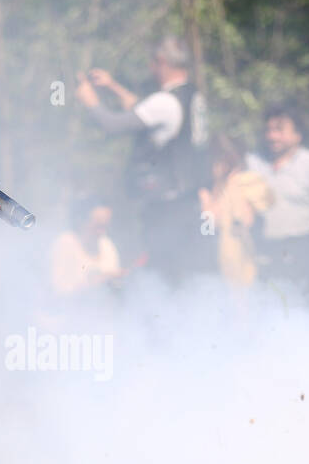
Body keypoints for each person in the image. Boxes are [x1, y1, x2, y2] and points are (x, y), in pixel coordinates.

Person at [76, 36, 210, 283]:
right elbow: (145, 109)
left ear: (162, 62)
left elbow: (113, 125)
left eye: (153, 62)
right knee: (179, 274)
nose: (150, 68)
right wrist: (113, 86)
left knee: (161, 277)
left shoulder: (166, 101)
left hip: (166, 210)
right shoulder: (190, 96)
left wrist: (90, 101)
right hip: (186, 204)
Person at [245, 104, 309, 295]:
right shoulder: (251, 164)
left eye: (280, 130)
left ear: (298, 135)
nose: (272, 136)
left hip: (303, 255)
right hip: (260, 254)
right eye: (269, 130)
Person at [201, 134, 273, 289]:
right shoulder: (208, 191)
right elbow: (206, 230)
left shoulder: (249, 184)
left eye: (221, 160)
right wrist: (208, 205)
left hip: (246, 265)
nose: (215, 166)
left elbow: (247, 221)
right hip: (216, 268)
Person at [51, 194, 122, 295]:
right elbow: (58, 290)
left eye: (105, 226)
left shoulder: (107, 245)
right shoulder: (66, 243)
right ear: (81, 221)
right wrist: (94, 284)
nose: (102, 232)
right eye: (98, 226)